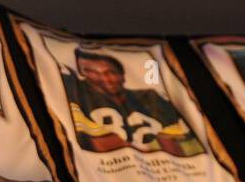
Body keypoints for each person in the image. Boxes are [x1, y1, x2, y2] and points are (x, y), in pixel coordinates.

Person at [66, 49, 203, 156]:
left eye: (110, 72)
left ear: (122, 76)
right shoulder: (79, 94)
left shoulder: (149, 98)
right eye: (92, 72)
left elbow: (171, 146)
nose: (105, 79)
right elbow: (104, 144)